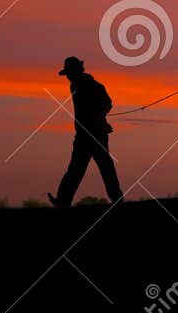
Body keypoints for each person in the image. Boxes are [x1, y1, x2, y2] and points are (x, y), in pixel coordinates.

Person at [49, 56, 123, 208]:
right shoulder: (79, 86)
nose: (68, 77)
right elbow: (107, 104)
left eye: (69, 73)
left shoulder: (89, 86)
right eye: (67, 74)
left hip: (93, 134)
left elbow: (107, 104)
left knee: (95, 167)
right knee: (89, 168)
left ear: (76, 71)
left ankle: (63, 201)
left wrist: (100, 118)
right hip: (87, 134)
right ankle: (64, 201)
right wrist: (101, 118)